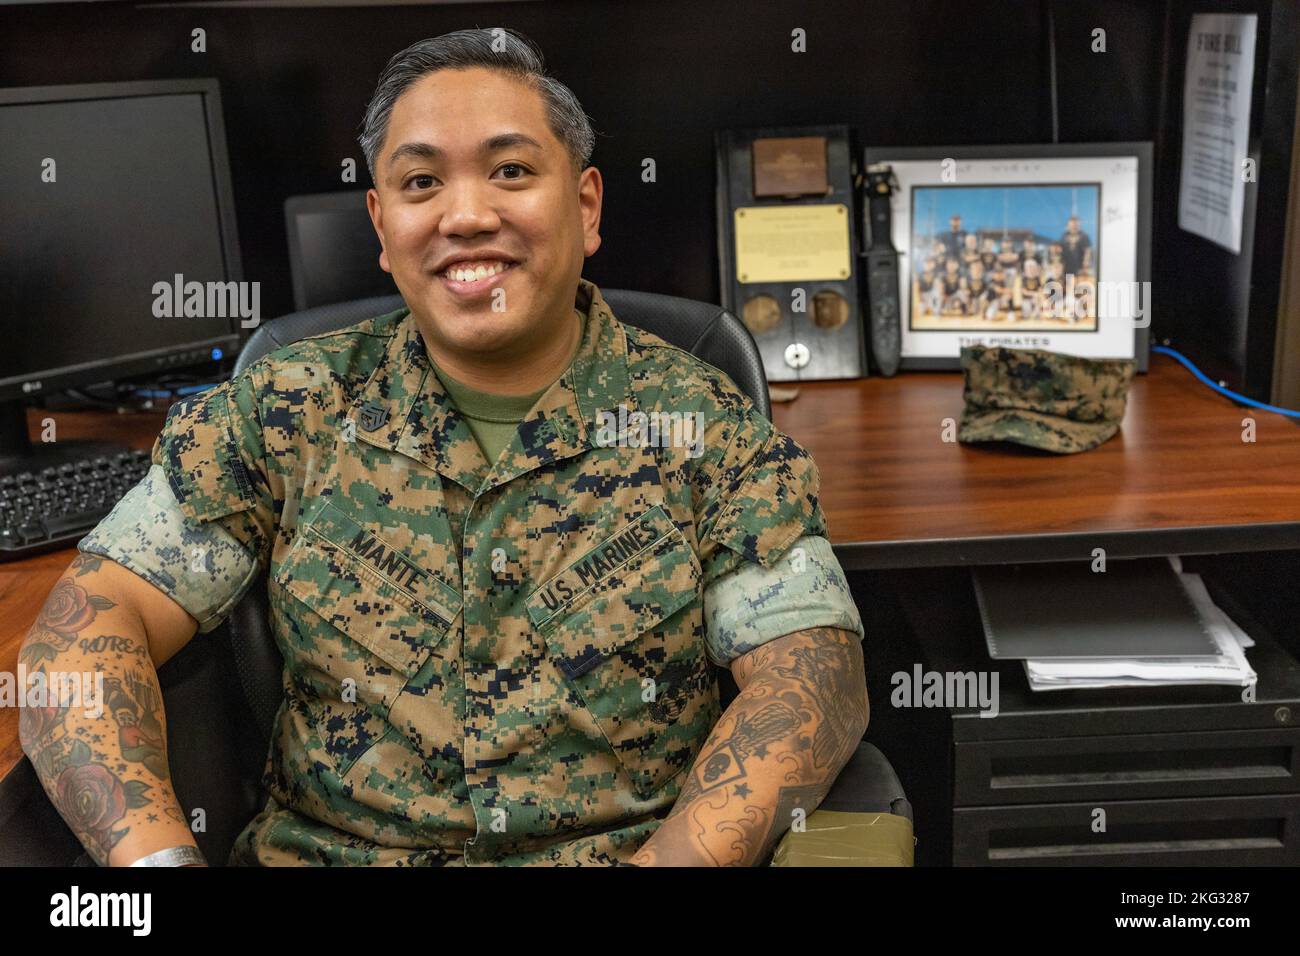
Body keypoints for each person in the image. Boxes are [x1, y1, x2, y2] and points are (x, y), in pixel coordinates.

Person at [18, 28, 868, 868]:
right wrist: (156, 867)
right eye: (423, 181)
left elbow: (813, 678)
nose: (466, 215)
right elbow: (84, 633)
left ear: (585, 206)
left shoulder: (702, 425)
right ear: (383, 228)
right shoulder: (288, 409)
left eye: (511, 171)